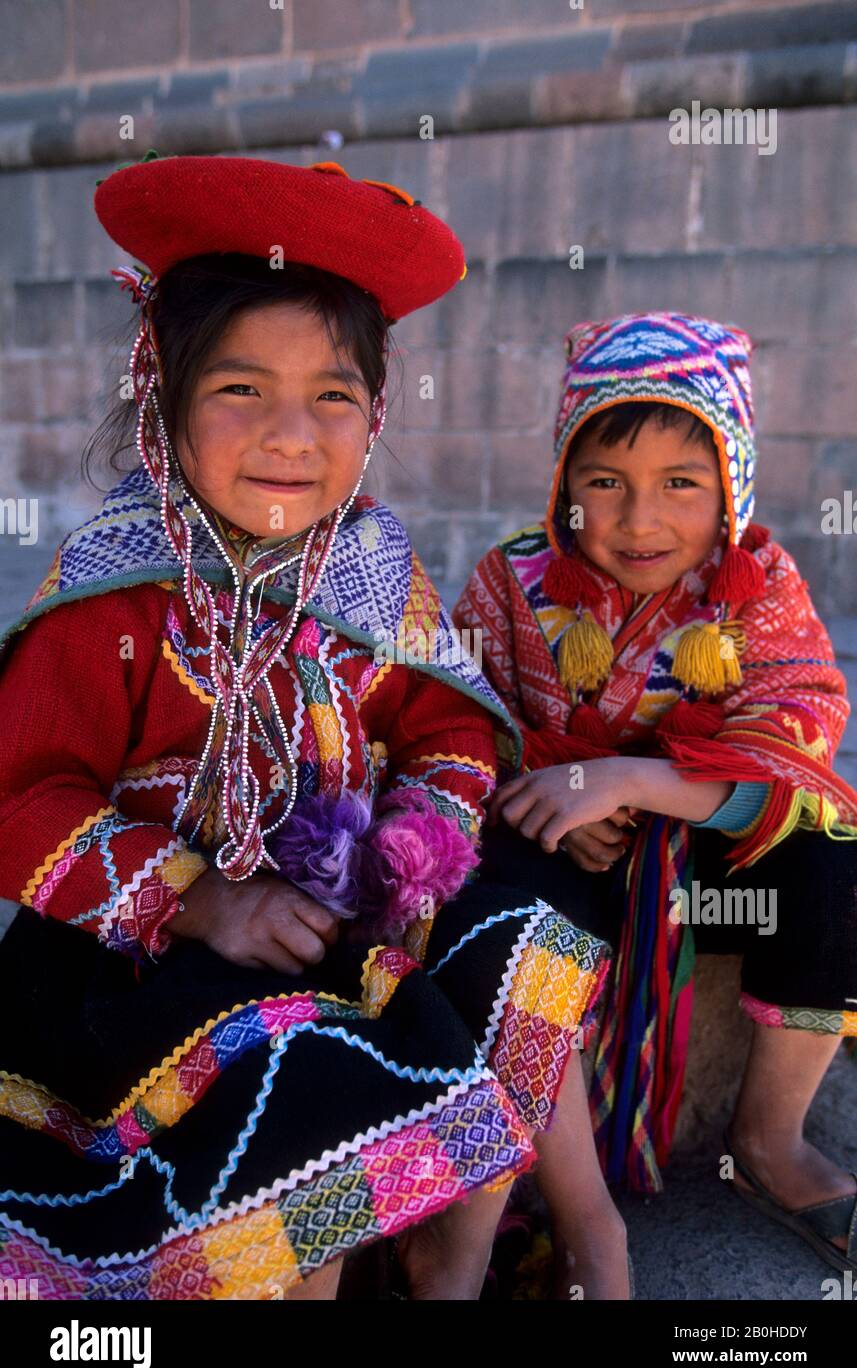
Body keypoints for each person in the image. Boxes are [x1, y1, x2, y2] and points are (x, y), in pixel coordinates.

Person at [0, 153, 624, 1302]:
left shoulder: (371, 568)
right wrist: (200, 898)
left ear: (373, 413)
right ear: (163, 398)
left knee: (523, 926)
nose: (292, 434)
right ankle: (297, 1266)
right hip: (149, 951)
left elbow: (447, 724)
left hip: (339, 898)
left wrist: (414, 842)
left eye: (331, 396)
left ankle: (474, 1253)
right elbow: (24, 795)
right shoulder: (118, 594)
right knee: (299, 1060)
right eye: (241, 389)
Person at [453, 312, 857, 1279]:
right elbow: (454, 723)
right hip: (561, 841)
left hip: (703, 853)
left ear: (732, 487)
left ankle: (766, 1138)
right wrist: (534, 792)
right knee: (506, 905)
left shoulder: (756, 588)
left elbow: (797, 733)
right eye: (604, 484)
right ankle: (549, 1185)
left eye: (681, 485)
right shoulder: (510, 584)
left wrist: (627, 778)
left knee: (831, 855)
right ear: (563, 484)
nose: (639, 521)